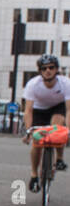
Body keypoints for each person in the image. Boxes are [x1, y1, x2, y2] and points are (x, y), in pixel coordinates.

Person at [22, 53, 70, 192]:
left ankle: (59, 159)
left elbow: (68, 110)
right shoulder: (32, 84)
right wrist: (28, 131)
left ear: (56, 69)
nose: (48, 70)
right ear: (40, 71)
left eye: (51, 67)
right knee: (37, 142)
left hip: (58, 107)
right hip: (39, 110)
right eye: (44, 68)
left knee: (58, 126)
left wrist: (68, 131)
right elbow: (28, 110)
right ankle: (34, 175)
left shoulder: (66, 83)